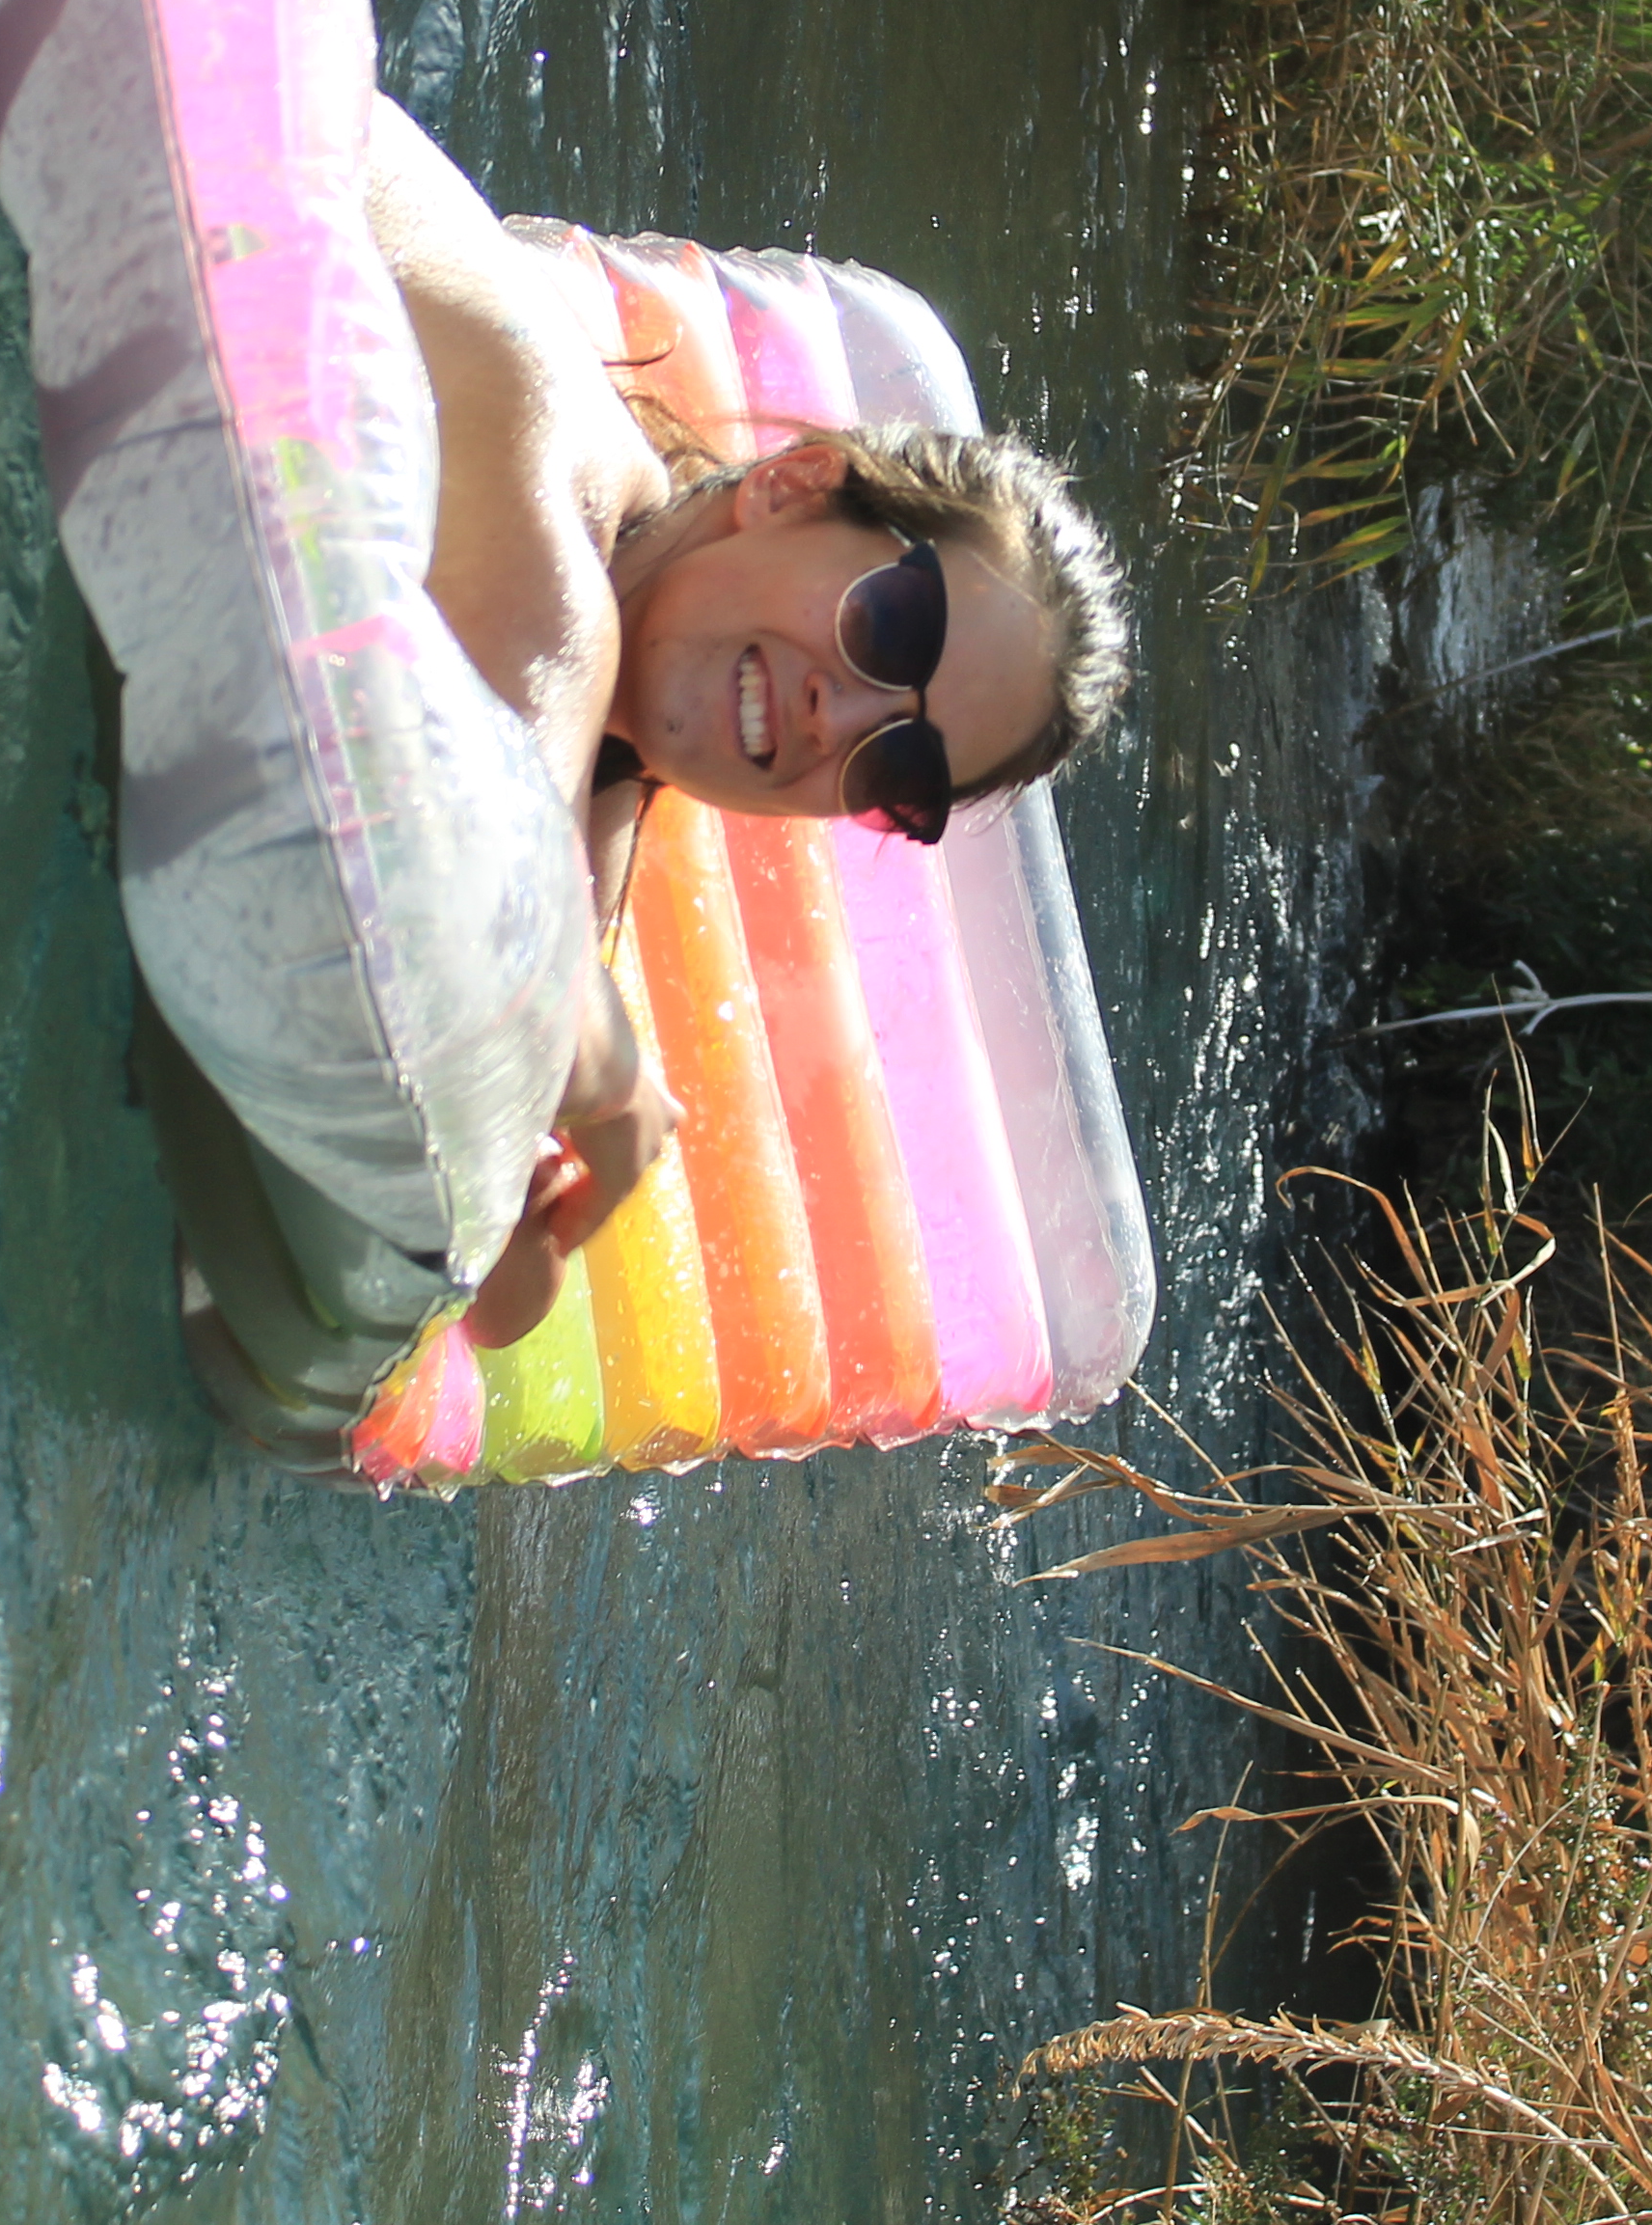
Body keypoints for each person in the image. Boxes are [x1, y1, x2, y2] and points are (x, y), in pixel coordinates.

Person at [149, 98, 1132, 1457]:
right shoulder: (546, 470)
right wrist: (601, 1084)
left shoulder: (601, 811)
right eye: (891, 628)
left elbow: (485, 1302)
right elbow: (500, 909)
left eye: (901, 762)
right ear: (795, 485)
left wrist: (553, 1189)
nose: (839, 714)